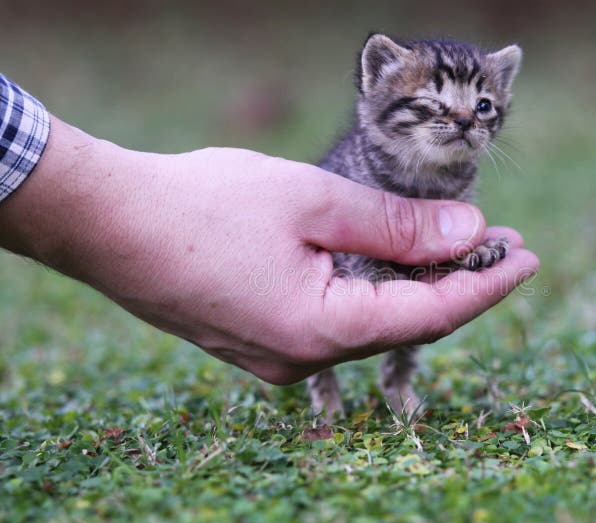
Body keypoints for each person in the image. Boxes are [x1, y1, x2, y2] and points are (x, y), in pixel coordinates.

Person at [0, 73, 539, 385]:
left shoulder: (460, 164)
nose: (466, 120)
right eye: (435, 104)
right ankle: (327, 388)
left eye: (484, 107)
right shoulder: (368, 159)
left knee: (423, 294)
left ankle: (398, 382)